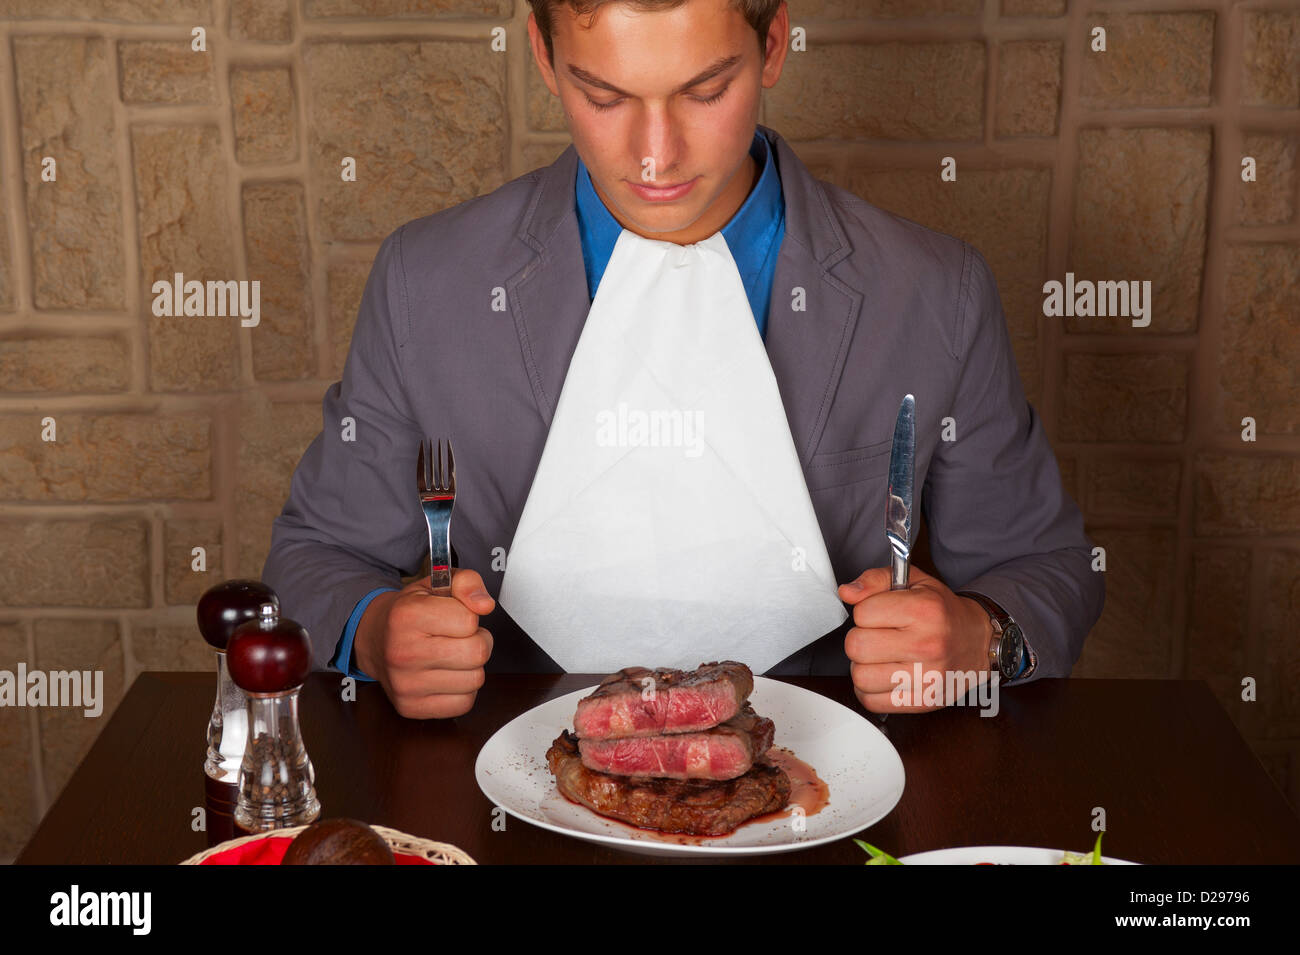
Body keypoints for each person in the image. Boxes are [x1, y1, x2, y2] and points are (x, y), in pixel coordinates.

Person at [262, 0, 1103, 719]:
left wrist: (979, 638)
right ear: (544, 56)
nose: (654, 154)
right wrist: (374, 631)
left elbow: (1048, 565)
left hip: (824, 802)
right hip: (513, 802)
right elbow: (314, 554)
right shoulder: (426, 282)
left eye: (706, 90)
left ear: (774, 44)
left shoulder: (933, 292)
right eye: (604, 94)